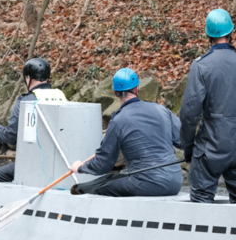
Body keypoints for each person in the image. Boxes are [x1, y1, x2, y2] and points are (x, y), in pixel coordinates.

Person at [179, 9, 236, 203]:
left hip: (209, 148)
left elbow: (189, 113)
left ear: (208, 35)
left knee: (200, 202)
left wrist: (188, 144)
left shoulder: (201, 66)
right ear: (232, 33)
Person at [70, 68, 183, 196]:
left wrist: (80, 168)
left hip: (148, 183)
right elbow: (184, 141)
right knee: (117, 178)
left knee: (93, 186)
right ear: (137, 89)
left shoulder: (118, 121)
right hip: (175, 182)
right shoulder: (162, 110)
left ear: (115, 92)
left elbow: (104, 164)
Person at [0, 57, 67, 182]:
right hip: (60, 164)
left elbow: (10, 137)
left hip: (35, 164)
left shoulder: (25, 101)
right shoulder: (61, 97)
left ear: (28, 78)